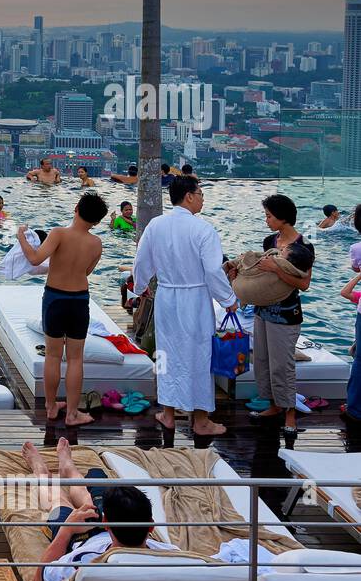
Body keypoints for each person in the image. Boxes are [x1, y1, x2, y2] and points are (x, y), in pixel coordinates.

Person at [132, 175, 238, 437]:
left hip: (167, 297)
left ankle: (168, 414)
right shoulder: (203, 230)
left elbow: (141, 259)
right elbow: (213, 272)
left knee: (167, 354)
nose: (203, 198)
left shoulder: (156, 225)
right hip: (195, 299)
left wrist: (139, 286)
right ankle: (200, 420)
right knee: (199, 356)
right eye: (200, 193)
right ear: (189, 196)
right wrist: (229, 300)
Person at [25, 439, 176, 581]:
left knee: (58, 500)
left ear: (104, 521)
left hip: (81, 537)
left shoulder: (84, 560)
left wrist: (67, 529)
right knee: (88, 499)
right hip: (115, 531)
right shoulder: (171, 555)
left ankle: (41, 471)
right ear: (151, 526)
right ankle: (68, 469)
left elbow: (40, 579)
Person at [16, 192, 108, 426]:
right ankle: (72, 414)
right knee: (76, 358)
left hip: (55, 298)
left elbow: (35, 259)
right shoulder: (96, 243)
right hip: (79, 300)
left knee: (53, 355)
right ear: (97, 222)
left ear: (75, 208)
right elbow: (86, 272)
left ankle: (50, 406)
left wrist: (21, 237)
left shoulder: (58, 233)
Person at [247, 194, 313, 445]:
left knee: (282, 366)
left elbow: (304, 284)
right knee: (262, 361)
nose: (266, 220)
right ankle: (274, 405)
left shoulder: (303, 246)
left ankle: (290, 414)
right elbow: (264, 278)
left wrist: (276, 268)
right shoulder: (269, 241)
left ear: (283, 217)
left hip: (286, 314)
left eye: (269, 216)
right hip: (263, 311)